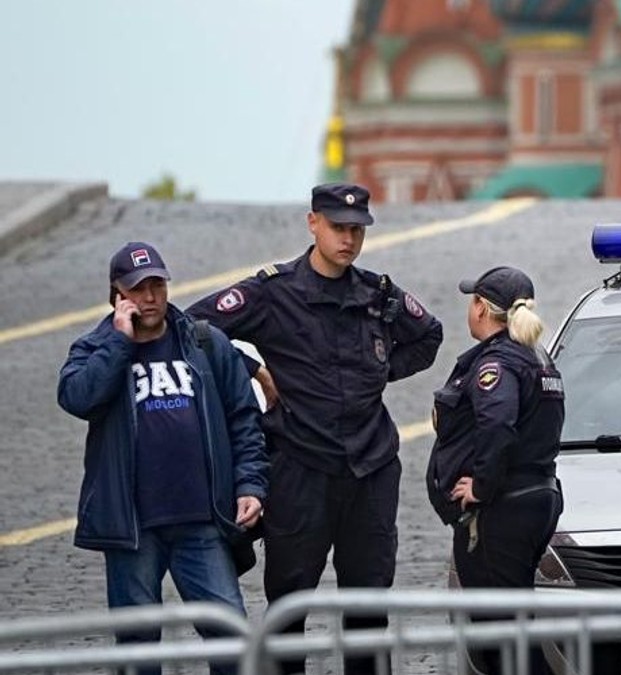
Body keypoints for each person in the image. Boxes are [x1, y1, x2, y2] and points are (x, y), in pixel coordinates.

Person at [187, 183, 443, 675]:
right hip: (300, 468)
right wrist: (253, 370)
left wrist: (380, 371)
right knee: (288, 604)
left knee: (368, 605)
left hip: (369, 469)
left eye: (357, 230)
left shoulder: (377, 293)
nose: (348, 239)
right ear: (312, 224)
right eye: (337, 228)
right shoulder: (272, 293)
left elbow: (429, 335)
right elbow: (192, 328)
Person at [57, 242, 268, 675]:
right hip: (133, 529)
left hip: (202, 522)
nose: (150, 297)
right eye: (138, 289)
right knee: (137, 650)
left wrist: (250, 484)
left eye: (157, 285)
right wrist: (119, 343)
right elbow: (78, 398)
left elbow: (244, 418)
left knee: (232, 639)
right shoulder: (94, 348)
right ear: (117, 294)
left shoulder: (204, 342)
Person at [426, 266, 565, 675]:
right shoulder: (538, 358)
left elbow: (498, 424)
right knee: (510, 625)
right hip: (536, 497)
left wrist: (481, 487)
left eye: (472, 301)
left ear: (482, 308)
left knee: (501, 632)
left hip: (502, 509)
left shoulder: (498, 364)